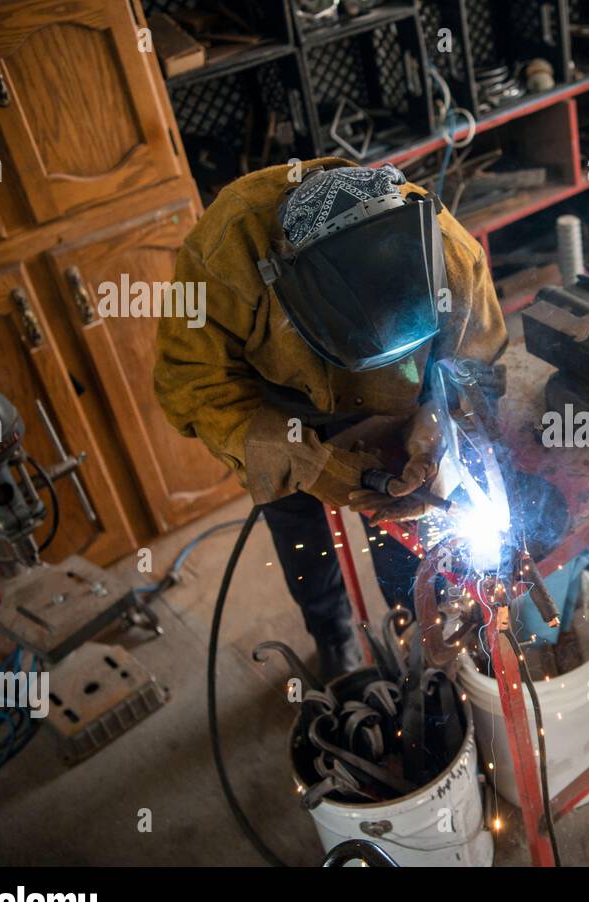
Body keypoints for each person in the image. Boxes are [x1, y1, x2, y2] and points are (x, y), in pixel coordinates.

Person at [154, 160, 506, 678]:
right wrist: (307, 464)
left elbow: (474, 363)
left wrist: (434, 416)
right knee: (301, 537)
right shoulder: (224, 255)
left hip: (397, 402)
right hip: (280, 407)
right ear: (284, 286)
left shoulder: (449, 251)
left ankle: (409, 625)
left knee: (403, 519)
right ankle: (333, 638)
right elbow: (192, 383)